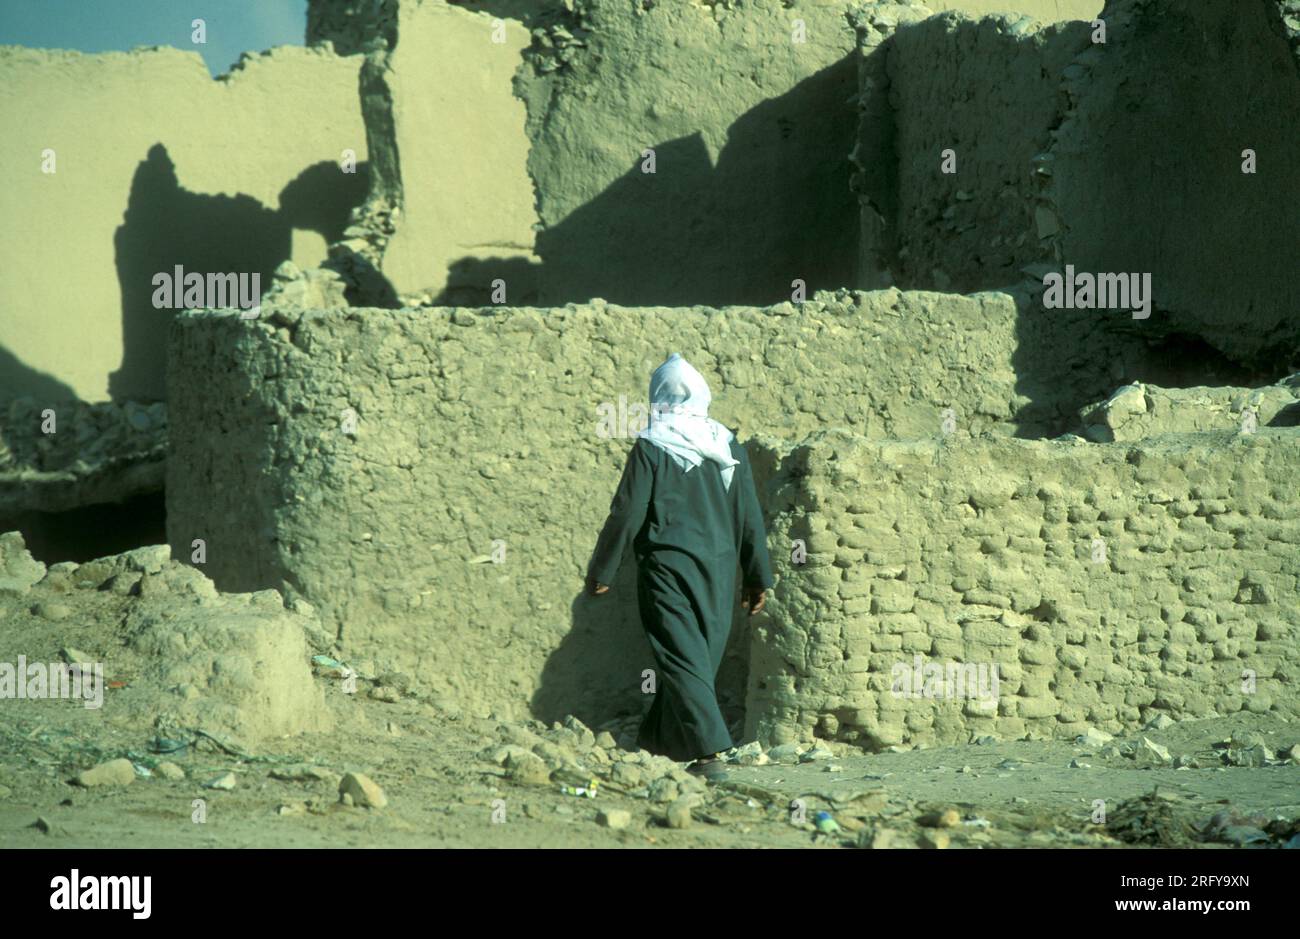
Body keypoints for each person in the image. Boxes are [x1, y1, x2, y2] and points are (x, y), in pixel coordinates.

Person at [585, 353, 774, 780]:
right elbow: (748, 516)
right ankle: (659, 746)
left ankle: (709, 756)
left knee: (686, 660)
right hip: (721, 572)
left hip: (667, 567)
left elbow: (627, 510)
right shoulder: (726, 444)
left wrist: (603, 569)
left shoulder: (653, 443)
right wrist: (756, 575)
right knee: (692, 659)